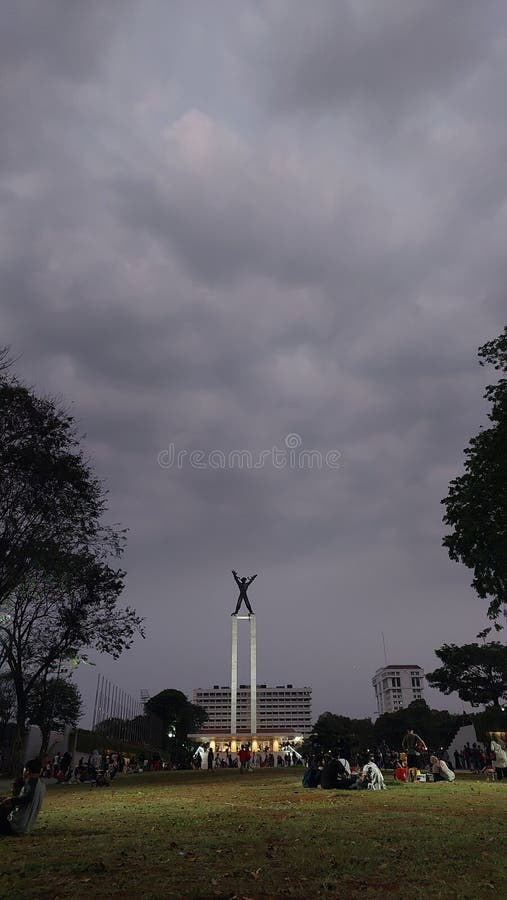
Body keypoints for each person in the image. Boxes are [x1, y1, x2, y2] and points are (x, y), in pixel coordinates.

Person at [0, 759, 45, 836]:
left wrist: (10, 800)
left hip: (16, 826)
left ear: (27, 770)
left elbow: (27, 798)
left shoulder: (31, 783)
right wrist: (10, 800)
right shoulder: (41, 785)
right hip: (25, 826)